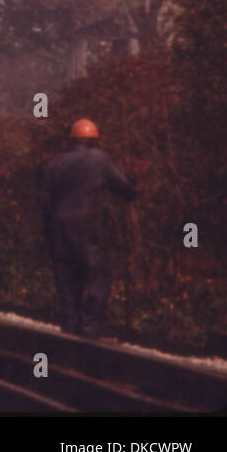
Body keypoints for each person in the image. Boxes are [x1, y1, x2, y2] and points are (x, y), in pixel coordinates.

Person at [42, 119, 136, 337]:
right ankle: (90, 325)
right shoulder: (98, 159)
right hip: (85, 226)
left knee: (66, 276)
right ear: (93, 140)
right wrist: (133, 190)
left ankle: (70, 324)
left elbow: (45, 201)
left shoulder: (55, 163)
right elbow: (122, 186)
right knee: (97, 274)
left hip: (58, 226)